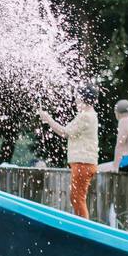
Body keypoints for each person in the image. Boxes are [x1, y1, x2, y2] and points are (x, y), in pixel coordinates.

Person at [39, 85, 99, 219]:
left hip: (83, 163)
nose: (76, 101)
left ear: (83, 99)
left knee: (77, 198)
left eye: (77, 98)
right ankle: (82, 226)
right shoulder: (87, 115)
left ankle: (83, 229)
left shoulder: (86, 117)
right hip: (84, 163)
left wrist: (48, 119)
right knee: (77, 197)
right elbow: (66, 131)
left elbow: (65, 132)